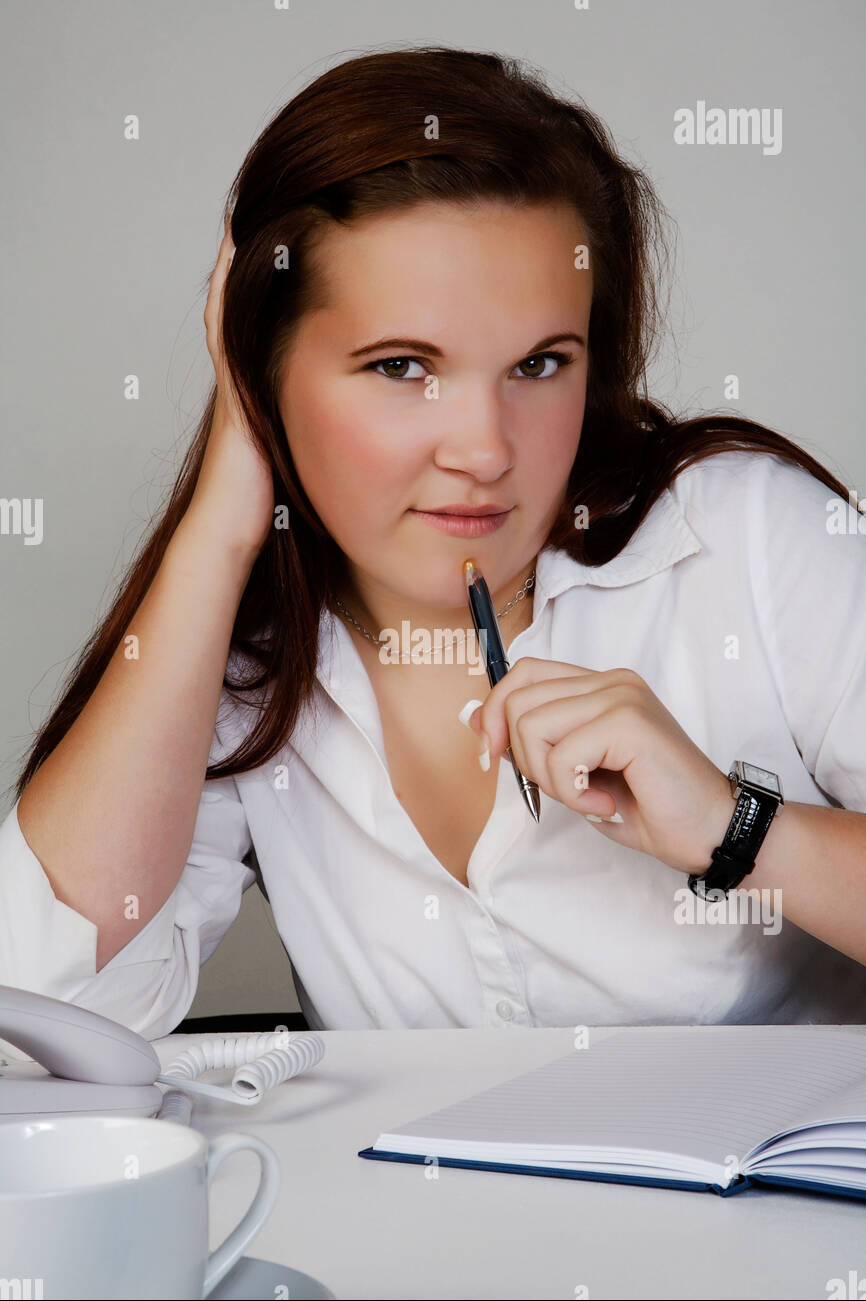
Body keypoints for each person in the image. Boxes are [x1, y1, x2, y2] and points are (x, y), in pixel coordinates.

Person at [1, 46, 865, 1038]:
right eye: (402, 365)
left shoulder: (746, 536)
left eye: (540, 362)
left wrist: (734, 828)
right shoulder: (244, 672)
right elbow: (33, 1015)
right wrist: (226, 515)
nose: (486, 450)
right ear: (263, 374)